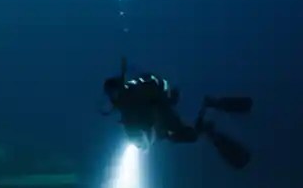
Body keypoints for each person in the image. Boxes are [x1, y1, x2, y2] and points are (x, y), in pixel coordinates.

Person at [102, 58, 254, 169]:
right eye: (113, 95)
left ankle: (211, 110)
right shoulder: (128, 111)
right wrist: (144, 140)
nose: (117, 97)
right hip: (167, 119)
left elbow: (159, 88)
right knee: (189, 133)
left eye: (116, 93)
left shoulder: (140, 89)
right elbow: (135, 134)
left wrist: (163, 102)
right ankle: (208, 123)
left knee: (189, 128)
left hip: (170, 108)